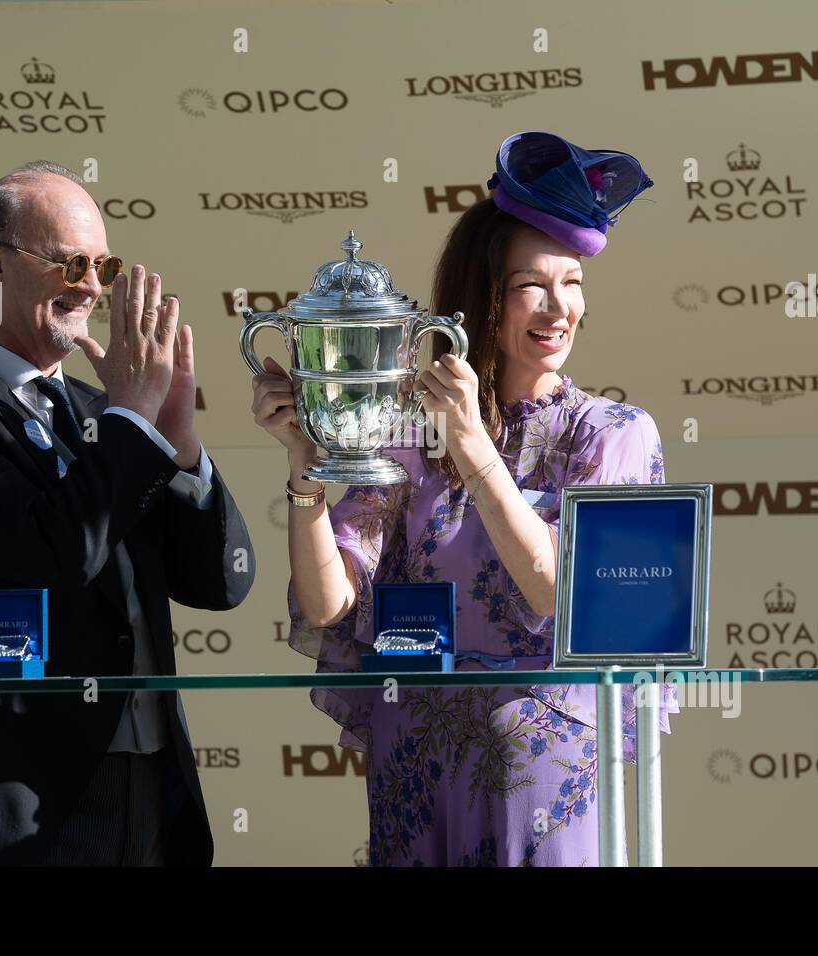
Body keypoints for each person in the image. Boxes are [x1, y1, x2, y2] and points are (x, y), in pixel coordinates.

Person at [251, 132, 677, 866]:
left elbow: (553, 594)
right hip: (416, 762)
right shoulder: (410, 435)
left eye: (572, 282)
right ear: (482, 299)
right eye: (530, 286)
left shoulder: (612, 434)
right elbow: (330, 607)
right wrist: (305, 470)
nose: (558, 307)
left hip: (540, 773)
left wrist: (476, 451)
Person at [0, 160, 253, 865]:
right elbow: (59, 550)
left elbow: (218, 583)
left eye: (103, 268)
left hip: (152, 787)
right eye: (71, 262)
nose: (90, 287)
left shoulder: (101, 413)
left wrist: (181, 448)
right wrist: (135, 420)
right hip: (14, 809)